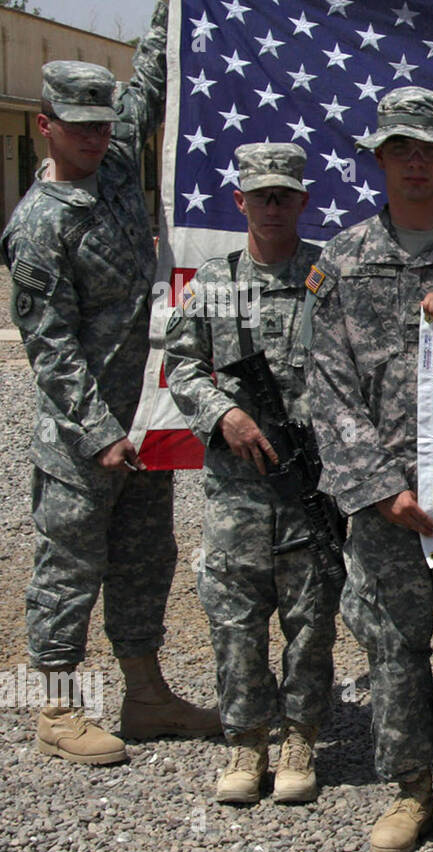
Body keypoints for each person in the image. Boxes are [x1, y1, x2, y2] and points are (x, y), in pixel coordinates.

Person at [1, 1, 221, 766]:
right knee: (68, 565)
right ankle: (56, 709)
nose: (96, 136)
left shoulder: (120, 159)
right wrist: (99, 436)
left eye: (101, 123)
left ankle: (145, 692)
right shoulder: (38, 225)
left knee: (144, 558)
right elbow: (51, 349)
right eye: (79, 125)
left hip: (144, 417)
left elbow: (151, 81)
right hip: (83, 437)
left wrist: (170, 11)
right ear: (44, 125)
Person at [306, 87, 433, 852]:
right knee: (392, 646)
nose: (415, 162)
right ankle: (407, 788)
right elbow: (325, 385)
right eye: (401, 149)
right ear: (380, 160)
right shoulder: (344, 257)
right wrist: (380, 487)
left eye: (429, 148)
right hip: (385, 498)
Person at [164, 143, 340, 805]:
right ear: (239, 201)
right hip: (238, 486)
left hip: (311, 483)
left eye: (283, 194)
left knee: (312, 616)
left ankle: (299, 736)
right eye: (259, 195)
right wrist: (224, 414)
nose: (271, 205)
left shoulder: (329, 274)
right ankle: (245, 740)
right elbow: (181, 366)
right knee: (234, 618)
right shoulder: (214, 282)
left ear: (302, 200)